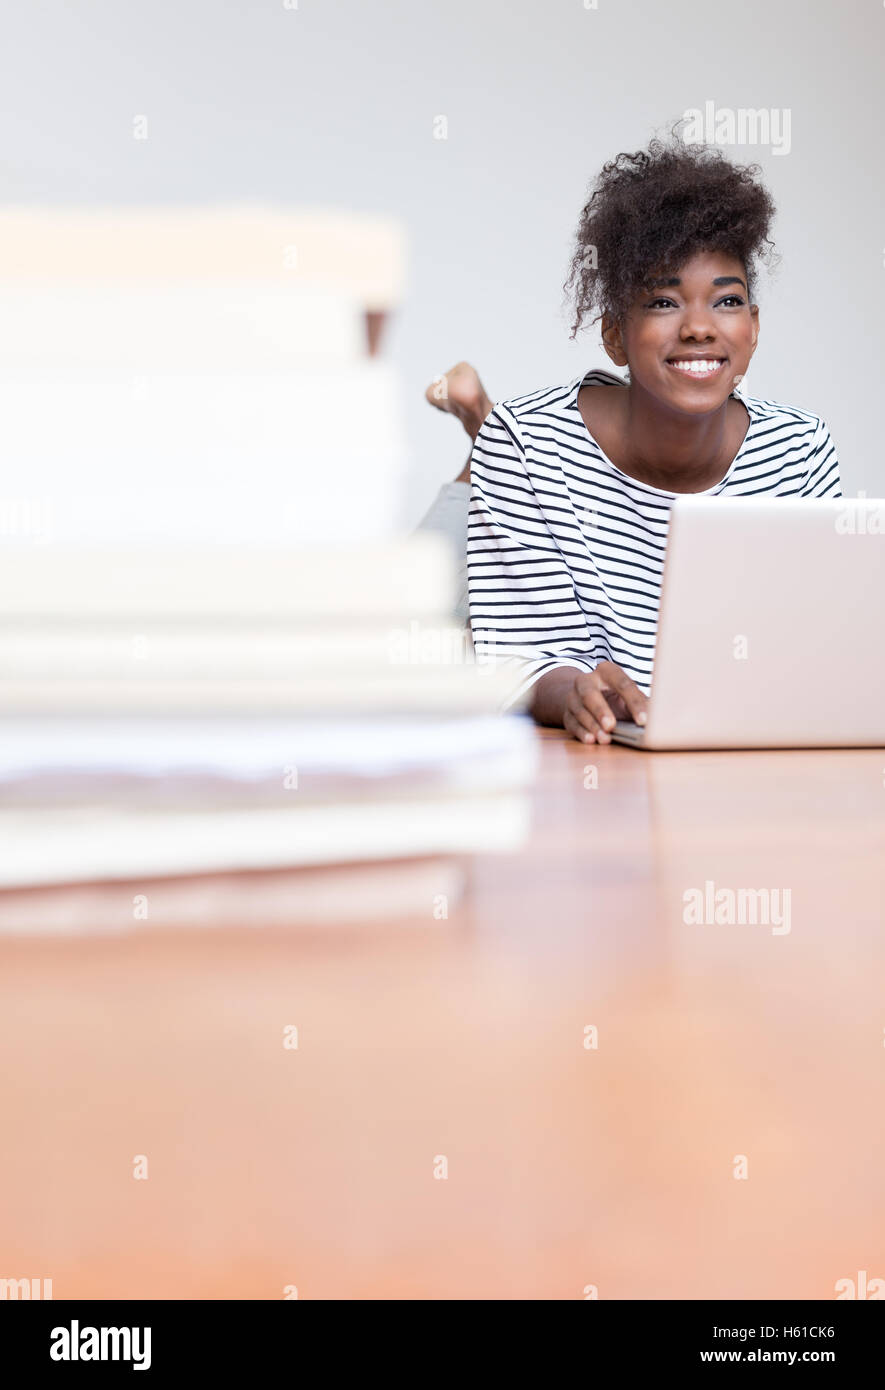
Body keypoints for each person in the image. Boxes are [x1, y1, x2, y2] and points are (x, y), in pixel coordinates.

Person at [419, 133, 840, 743]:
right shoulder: (526, 442)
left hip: (736, 759)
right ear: (615, 334)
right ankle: (474, 428)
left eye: (727, 300)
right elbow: (520, 655)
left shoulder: (799, 451)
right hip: (600, 765)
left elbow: (816, 649)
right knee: (399, 635)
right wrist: (573, 693)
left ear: (753, 328)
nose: (699, 327)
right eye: (664, 301)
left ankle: (471, 419)